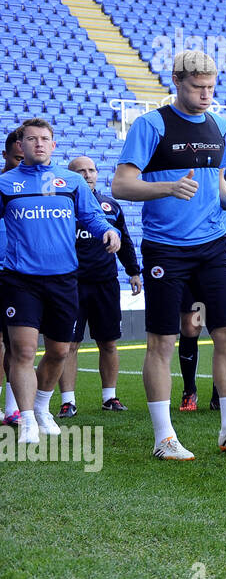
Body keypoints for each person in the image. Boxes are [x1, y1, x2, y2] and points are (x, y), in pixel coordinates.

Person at [113, 50, 226, 460]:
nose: (206, 95)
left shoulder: (218, 124)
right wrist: (166, 188)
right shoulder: (151, 125)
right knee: (162, 340)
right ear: (176, 80)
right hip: (167, 247)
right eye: (198, 87)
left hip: (215, 245)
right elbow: (121, 186)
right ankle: (164, 438)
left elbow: (215, 185)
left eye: (211, 87)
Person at [0, 119, 119, 444]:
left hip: (65, 280)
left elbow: (93, 216)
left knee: (58, 351)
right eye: (31, 139)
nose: (38, 143)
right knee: (23, 351)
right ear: (20, 146)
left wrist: (110, 231)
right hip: (20, 281)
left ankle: (41, 408)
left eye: (44, 139)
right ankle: (26, 420)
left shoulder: (71, 182)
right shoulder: (6, 184)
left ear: (53, 145)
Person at [56, 155, 142, 416]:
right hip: (71, 284)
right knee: (69, 345)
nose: (87, 174)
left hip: (106, 284)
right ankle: (68, 401)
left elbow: (125, 241)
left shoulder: (111, 206)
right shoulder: (59, 206)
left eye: (91, 170)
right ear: (70, 176)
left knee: (109, 342)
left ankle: (110, 397)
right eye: (80, 171)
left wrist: (134, 272)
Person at [179, 164, 226, 412]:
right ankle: (189, 390)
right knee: (190, 326)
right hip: (191, 254)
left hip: (225, 258)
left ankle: (219, 396)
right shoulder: (191, 169)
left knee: (223, 330)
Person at [1, 127, 23, 427]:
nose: (22, 162)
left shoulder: (41, 188)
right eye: (17, 158)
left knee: (16, 344)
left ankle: (13, 409)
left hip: (18, 274)